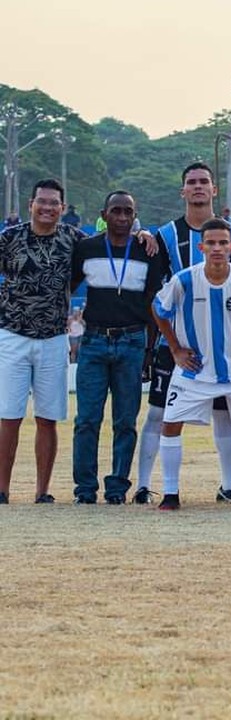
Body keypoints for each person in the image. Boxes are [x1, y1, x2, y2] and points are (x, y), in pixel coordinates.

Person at [135, 163, 231, 505]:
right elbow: (154, 294)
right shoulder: (165, 236)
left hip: (222, 344)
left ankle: (228, 486)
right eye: (192, 182)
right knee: (158, 412)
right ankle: (143, 486)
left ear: (214, 190)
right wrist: (153, 347)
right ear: (183, 191)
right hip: (176, 344)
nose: (198, 186)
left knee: (223, 413)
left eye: (204, 182)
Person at [151, 218, 231, 510]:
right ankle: (170, 494)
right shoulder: (184, 280)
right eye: (211, 243)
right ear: (201, 248)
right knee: (170, 425)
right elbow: (159, 308)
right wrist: (175, 348)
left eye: (223, 243)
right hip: (194, 370)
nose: (217, 248)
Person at [69, 191, 165, 504]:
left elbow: (152, 302)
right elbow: (67, 287)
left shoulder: (147, 250)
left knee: (125, 421)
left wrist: (149, 351)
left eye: (128, 212)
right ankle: (85, 489)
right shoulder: (87, 248)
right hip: (94, 341)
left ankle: (116, 489)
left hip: (132, 342)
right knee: (87, 420)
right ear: (104, 214)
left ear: (135, 216)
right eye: (116, 211)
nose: (122, 217)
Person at [0, 179, 88, 504]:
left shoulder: (74, 239)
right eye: (42, 201)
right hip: (12, 335)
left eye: (54, 203)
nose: (47, 208)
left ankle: (43, 491)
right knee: (9, 417)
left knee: (47, 418)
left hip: (53, 337)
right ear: (31, 204)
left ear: (62, 208)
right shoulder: (9, 238)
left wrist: (142, 234)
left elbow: (110, 246)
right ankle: (2, 489)